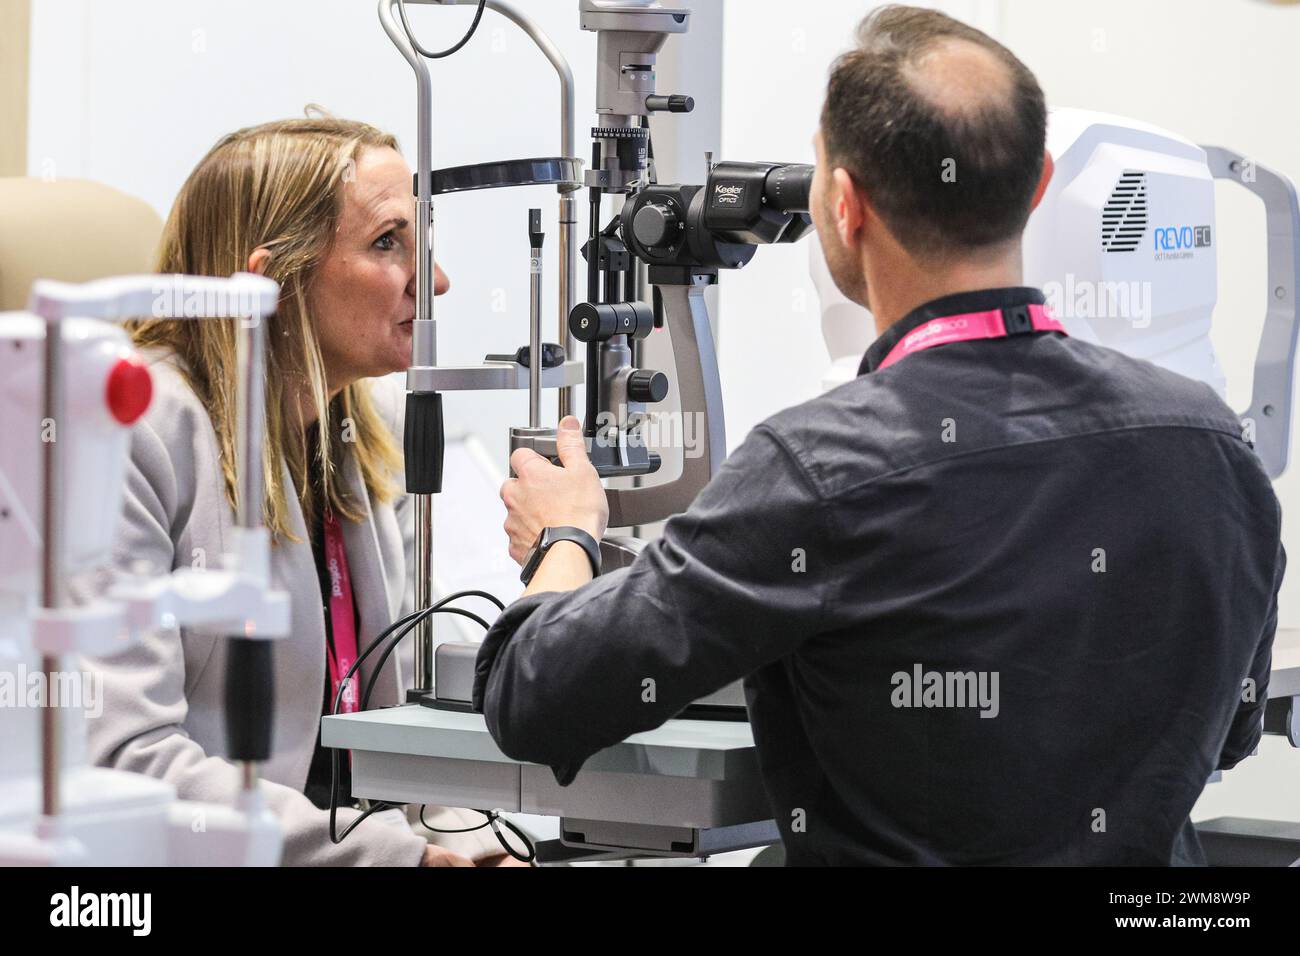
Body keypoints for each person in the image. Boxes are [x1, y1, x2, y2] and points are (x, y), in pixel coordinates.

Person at [473, 6, 1285, 865]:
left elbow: (533, 699)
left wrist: (565, 533)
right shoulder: (1213, 444)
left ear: (845, 206)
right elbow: (1227, 734)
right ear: (1038, 183)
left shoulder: (818, 468)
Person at [88, 116, 518, 866]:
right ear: (269, 286)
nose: (436, 280)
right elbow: (126, 761)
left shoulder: (363, 432)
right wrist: (397, 861)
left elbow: (406, 724)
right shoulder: (134, 434)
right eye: (388, 243)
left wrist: (476, 847)